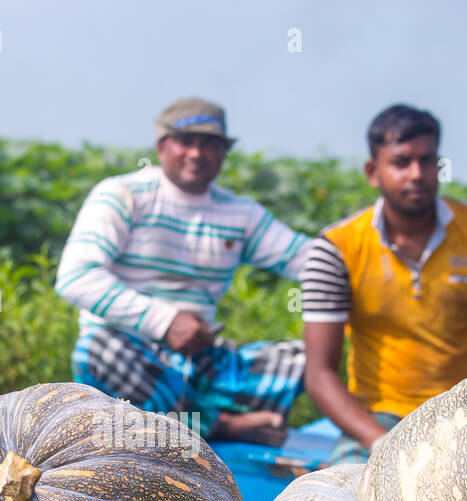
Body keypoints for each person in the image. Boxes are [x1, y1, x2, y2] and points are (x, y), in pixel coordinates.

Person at [56, 97, 313, 445]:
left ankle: (184, 420)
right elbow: (76, 277)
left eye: (209, 144)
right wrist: (165, 321)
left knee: (306, 358)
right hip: (132, 353)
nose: (197, 153)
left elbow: (307, 259)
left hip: (201, 361)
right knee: (95, 351)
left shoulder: (240, 214)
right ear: (162, 147)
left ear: (223, 153)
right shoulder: (122, 194)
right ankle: (220, 424)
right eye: (186, 141)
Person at [300, 105, 467, 462]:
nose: (416, 174)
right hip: (376, 421)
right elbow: (319, 375)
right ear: (373, 171)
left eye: (427, 161)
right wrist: (382, 443)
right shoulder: (336, 249)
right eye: (401, 162)